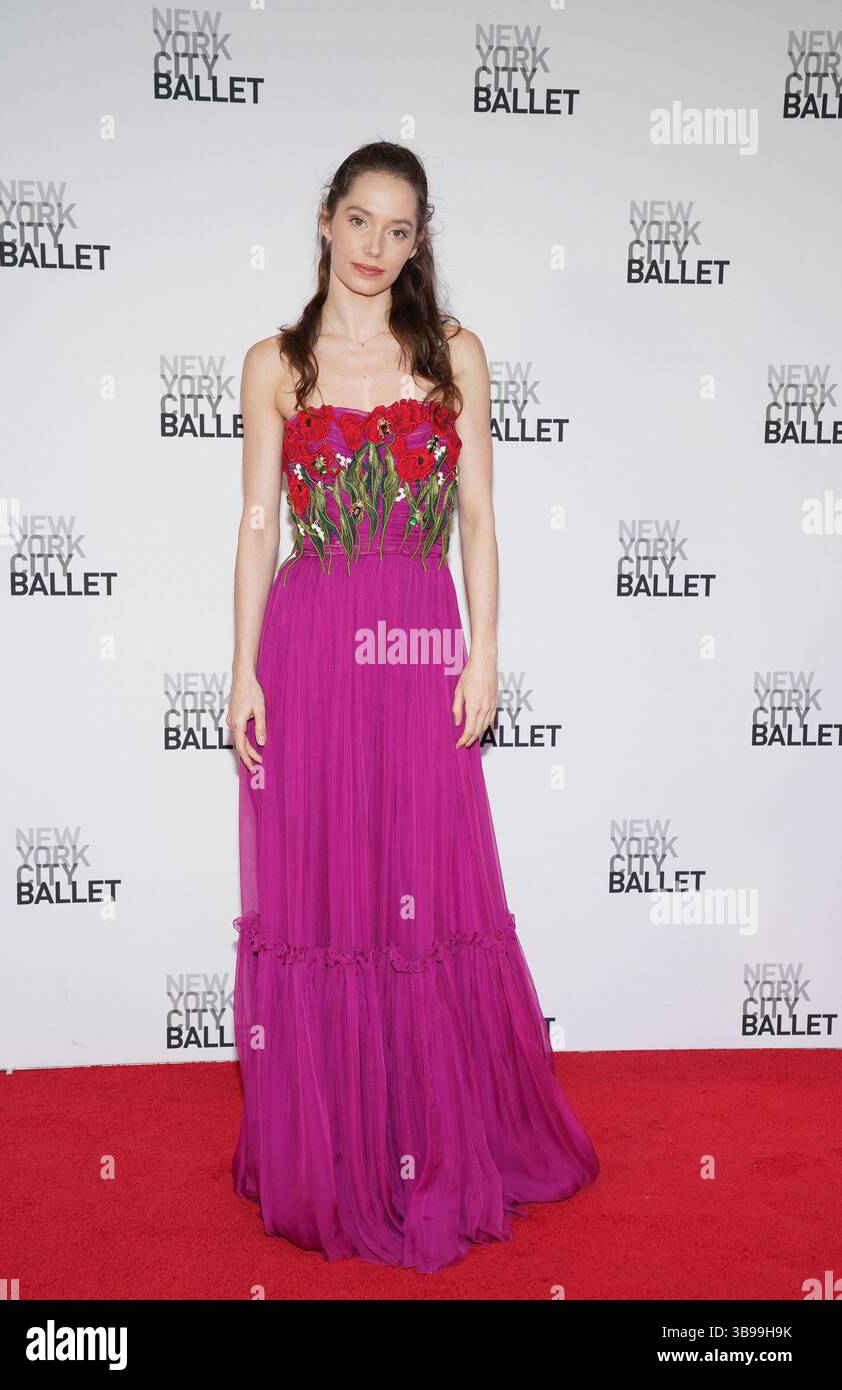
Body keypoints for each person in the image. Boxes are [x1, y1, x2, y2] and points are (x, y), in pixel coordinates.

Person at [226, 141, 599, 1274]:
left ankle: (428, 1139)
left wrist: (484, 653)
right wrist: (240, 668)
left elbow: (477, 519)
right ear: (325, 222)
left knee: (421, 891)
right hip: (310, 645)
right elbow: (256, 525)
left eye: (399, 229)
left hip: (418, 635)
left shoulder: (452, 358)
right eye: (358, 221)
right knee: (329, 891)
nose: (375, 247)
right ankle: (333, 1150)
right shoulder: (274, 364)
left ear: (419, 240)